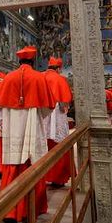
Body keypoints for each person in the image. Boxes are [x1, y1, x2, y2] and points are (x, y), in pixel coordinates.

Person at [0, 46, 55, 223]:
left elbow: (2, 106)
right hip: (32, 127)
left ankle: (10, 210)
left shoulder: (8, 78)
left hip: (12, 127)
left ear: (19, 61)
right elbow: (47, 108)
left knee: (13, 165)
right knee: (31, 164)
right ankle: (31, 209)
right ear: (32, 61)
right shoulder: (39, 78)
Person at [43, 56, 73, 188]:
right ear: (59, 68)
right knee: (58, 143)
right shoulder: (60, 79)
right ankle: (58, 177)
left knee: (43, 142)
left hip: (41, 113)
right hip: (56, 114)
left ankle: (42, 176)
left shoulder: (40, 76)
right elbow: (65, 101)